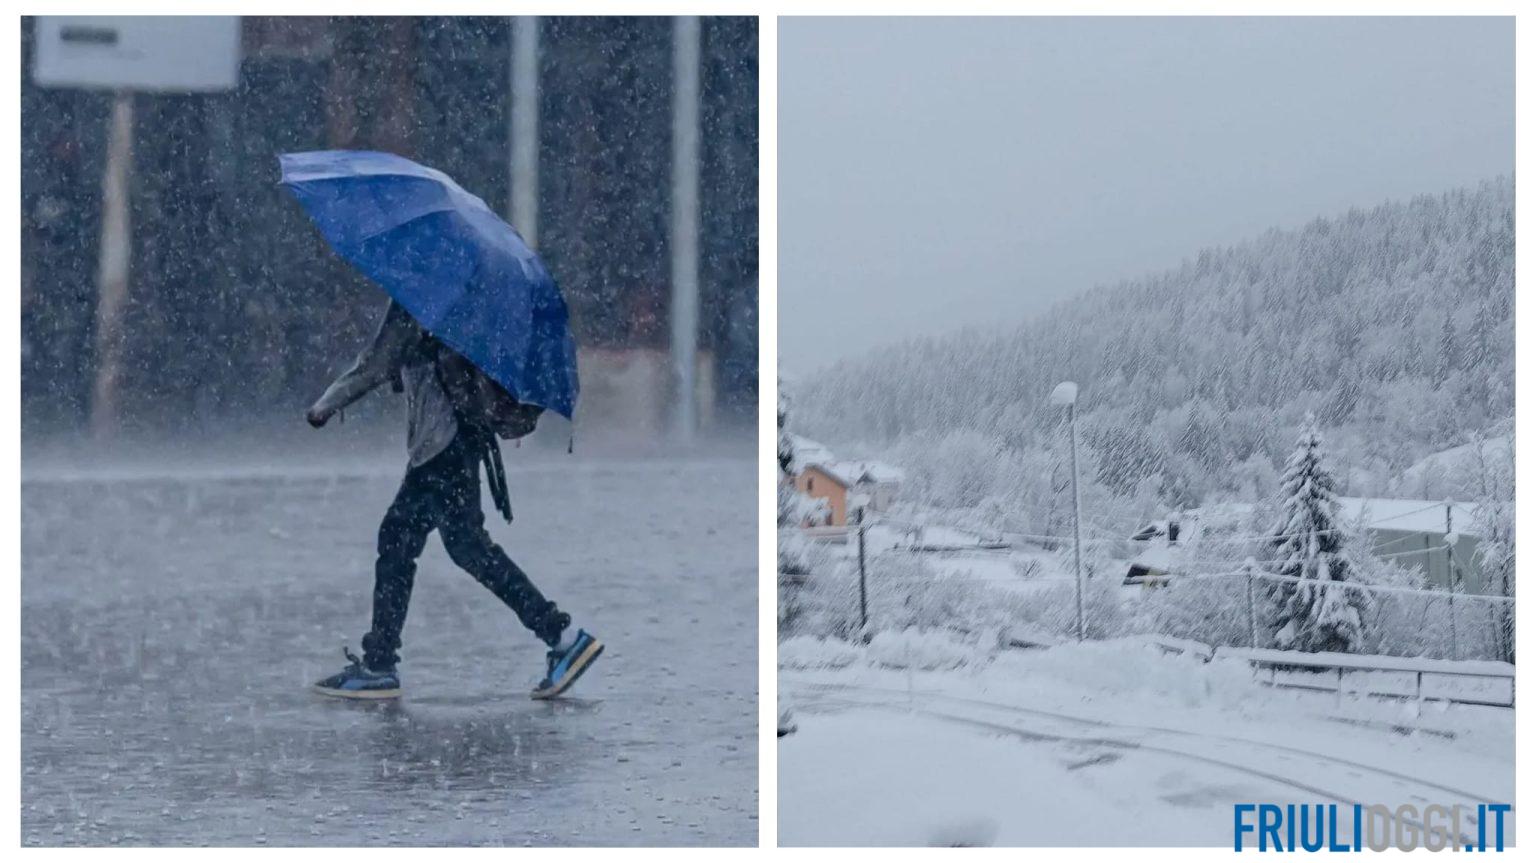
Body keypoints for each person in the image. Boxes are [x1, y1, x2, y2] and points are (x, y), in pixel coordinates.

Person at [306, 300, 602, 700]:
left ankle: (380, 664)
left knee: (410, 540)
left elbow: (376, 364)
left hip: (440, 446)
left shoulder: (417, 299)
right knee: (456, 546)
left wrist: (325, 404)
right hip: (460, 440)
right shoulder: (464, 304)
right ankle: (561, 636)